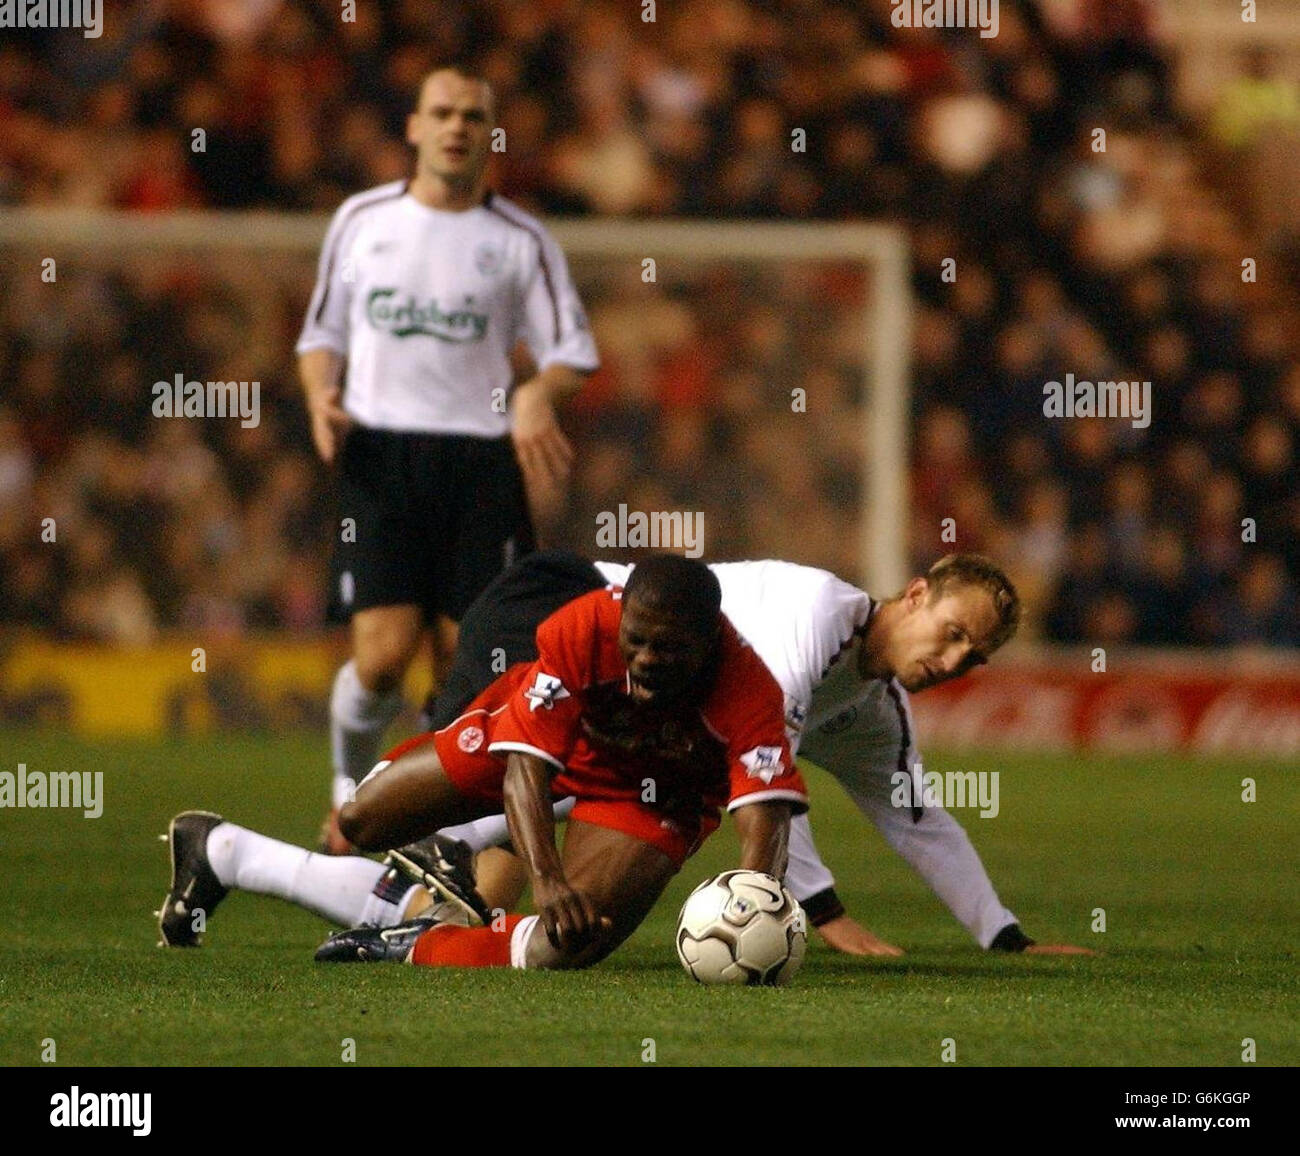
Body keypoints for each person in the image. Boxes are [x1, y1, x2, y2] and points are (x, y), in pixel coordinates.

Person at [158, 552, 1090, 957]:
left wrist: (1001, 936)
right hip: (566, 616)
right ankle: (405, 831)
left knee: (498, 903)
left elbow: (919, 822)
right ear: (918, 593)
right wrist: (817, 911)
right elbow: (762, 771)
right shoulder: (812, 624)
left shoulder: (877, 710)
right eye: (956, 633)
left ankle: (236, 855)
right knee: (473, 867)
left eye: (978, 657)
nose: (957, 661)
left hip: (638, 712)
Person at [161, 554, 805, 970]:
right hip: (542, 752)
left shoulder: (748, 688)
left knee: (565, 945)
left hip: (648, 802)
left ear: (709, 640)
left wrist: (755, 901)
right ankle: (226, 850)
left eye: (667, 649)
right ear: (620, 619)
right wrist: (546, 877)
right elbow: (525, 767)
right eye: (634, 640)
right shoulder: (583, 626)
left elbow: (764, 812)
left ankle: (415, 941)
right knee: (357, 823)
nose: (643, 659)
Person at [295, 63, 598, 853]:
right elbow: (319, 335)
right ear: (415, 127)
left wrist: (538, 393)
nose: (458, 126)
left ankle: (428, 823)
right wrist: (320, 394)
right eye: (443, 112)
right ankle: (350, 794)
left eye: (473, 114)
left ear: (489, 134)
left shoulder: (519, 239)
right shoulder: (362, 222)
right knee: (383, 656)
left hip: (481, 464)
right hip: (382, 453)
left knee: (474, 665)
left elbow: (573, 349)